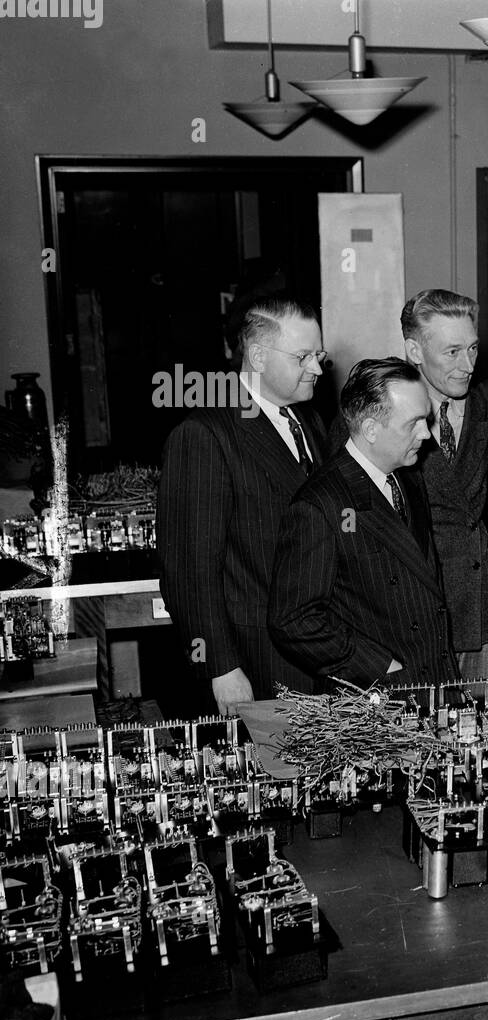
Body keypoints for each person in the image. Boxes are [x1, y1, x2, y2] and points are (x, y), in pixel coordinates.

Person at [157, 292, 326, 714]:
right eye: (303, 356)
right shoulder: (204, 434)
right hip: (257, 659)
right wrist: (221, 667)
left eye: (319, 355)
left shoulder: (310, 420)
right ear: (258, 355)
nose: (317, 368)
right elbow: (188, 570)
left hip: (317, 650)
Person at [269, 358, 456, 689]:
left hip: (434, 684)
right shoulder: (319, 504)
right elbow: (293, 620)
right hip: (375, 698)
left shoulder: (408, 477)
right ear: (371, 429)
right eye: (413, 423)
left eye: (426, 420)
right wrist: (380, 665)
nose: (426, 434)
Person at [400, 289, 488, 679]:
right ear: (414, 351)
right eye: (452, 352)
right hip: (411, 620)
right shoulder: (375, 412)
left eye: (474, 349)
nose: (467, 365)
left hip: (479, 618)